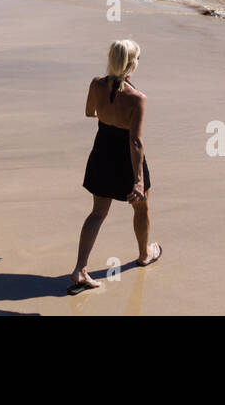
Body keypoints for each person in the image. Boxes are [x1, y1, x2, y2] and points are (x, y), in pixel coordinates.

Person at [70, 39, 160, 295]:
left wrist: (108, 112)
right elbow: (136, 142)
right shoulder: (137, 98)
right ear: (132, 64)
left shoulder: (96, 83)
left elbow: (90, 113)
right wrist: (139, 180)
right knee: (140, 207)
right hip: (125, 157)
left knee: (97, 213)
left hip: (102, 151)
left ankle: (79, 269)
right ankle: (144, 255)